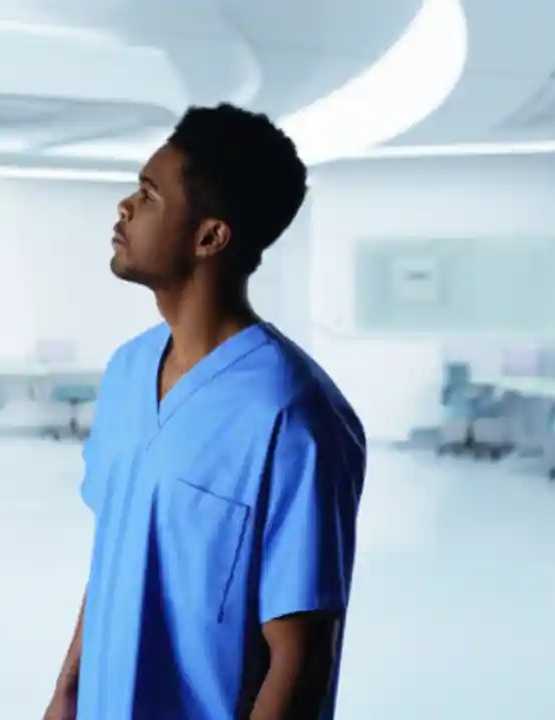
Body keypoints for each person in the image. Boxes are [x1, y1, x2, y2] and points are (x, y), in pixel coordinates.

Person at [44, 104, 366, 720]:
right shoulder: (127, 372)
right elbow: (118, 552)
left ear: (210, 236)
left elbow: (300, 658)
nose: (124, 208)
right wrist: (67, 694)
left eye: (149, 194)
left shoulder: (292, 414)